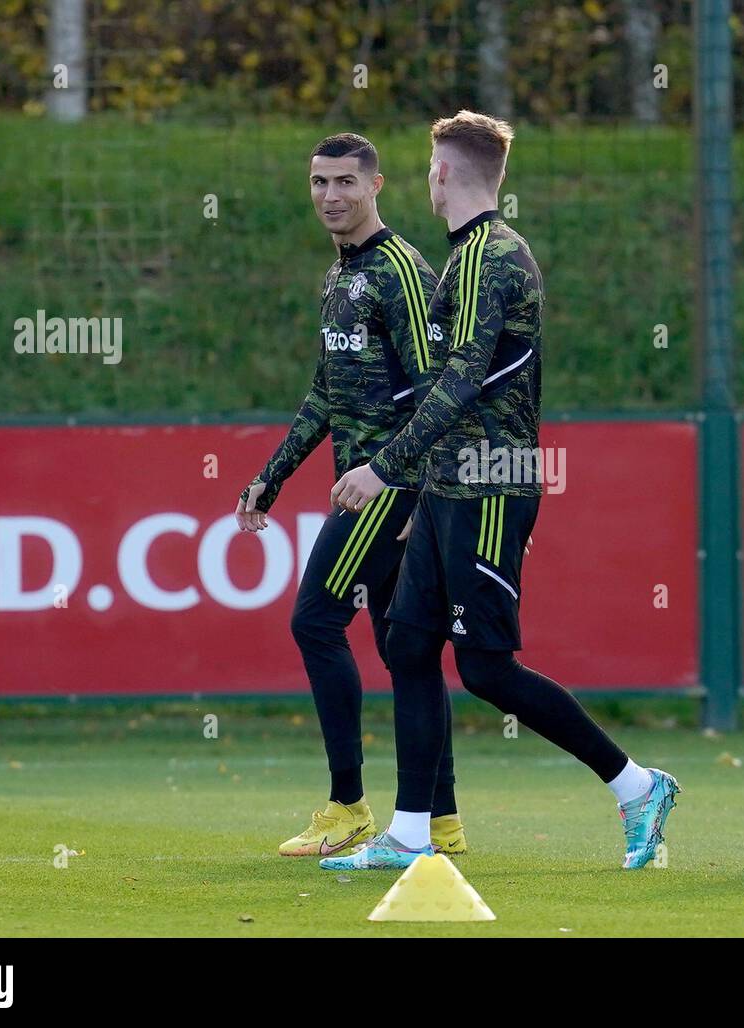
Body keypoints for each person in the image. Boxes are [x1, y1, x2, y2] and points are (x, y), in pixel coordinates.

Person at [323, 111, 679, 872]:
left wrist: (386, 467)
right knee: (408, 644)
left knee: (485, 668)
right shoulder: (464, 258)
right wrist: (419, 487)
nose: (427, 177)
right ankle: (412, 834)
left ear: (441, 173)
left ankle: (636, 784)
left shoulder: (491, 256)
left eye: (428, 166)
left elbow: (459, 380)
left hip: (490, 481)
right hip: (451, 482)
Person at [235, 133, 465, 859]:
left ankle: (347, 805)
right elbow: (324, 397)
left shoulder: (400, 271)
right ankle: (442, 819)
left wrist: (415, 490)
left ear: (377, 186)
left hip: (387, 489)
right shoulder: (340, 276)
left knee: (314, 621)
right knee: (407, 651)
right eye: (318, 182)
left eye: (344, 182)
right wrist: (271, 476)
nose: (330, 196)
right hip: (363, 483)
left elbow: (437, 393)